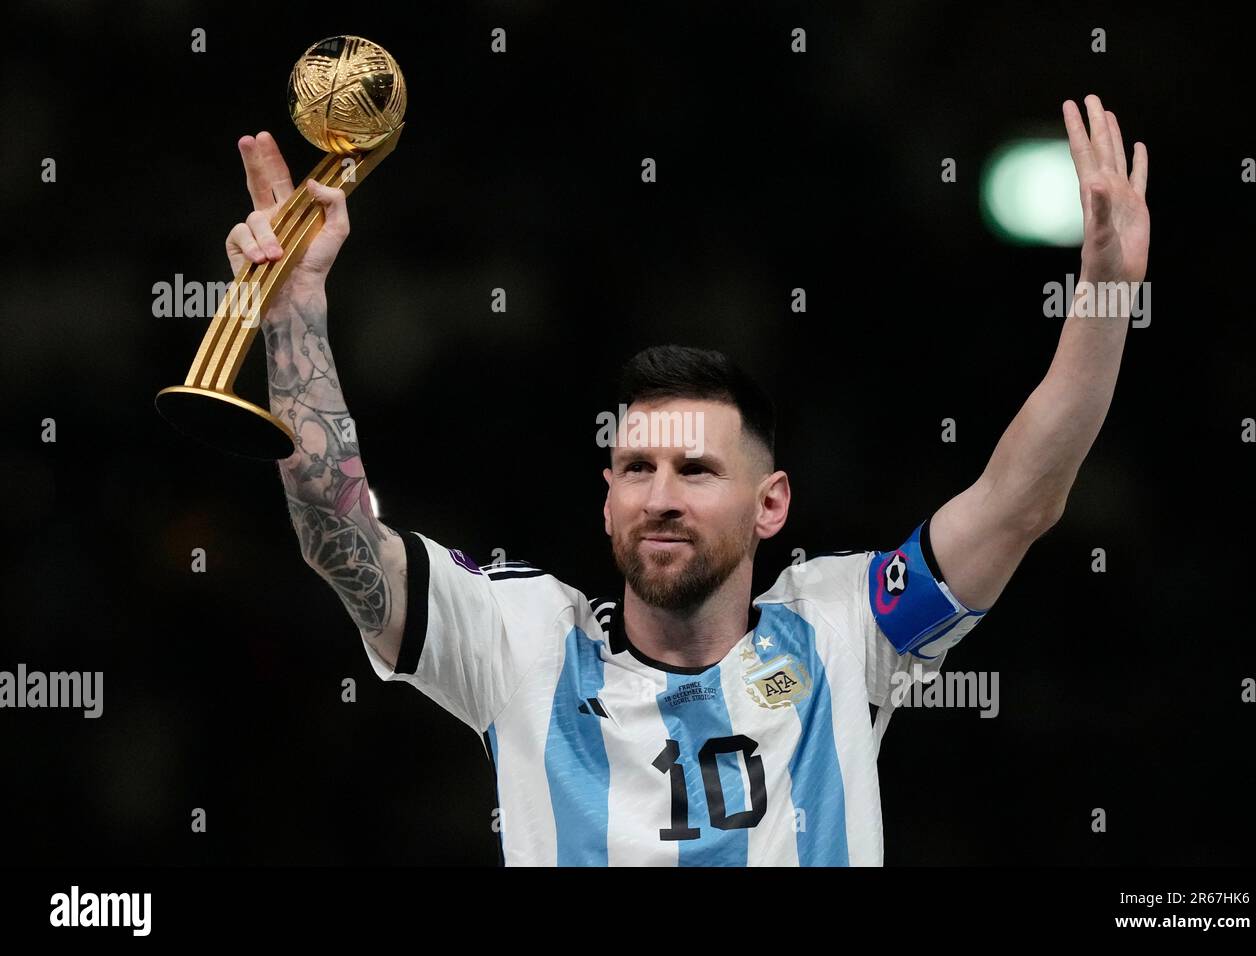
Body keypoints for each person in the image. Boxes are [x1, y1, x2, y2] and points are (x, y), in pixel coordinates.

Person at [225, 93, 1148, 865]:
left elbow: (1022, 499)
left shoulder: (843, 629)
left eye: (697, 470)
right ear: (608, 497)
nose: (660, 494)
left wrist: (1106, 290)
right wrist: (296, 306)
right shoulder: (520, 641)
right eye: (638, 468)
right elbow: (332, 529)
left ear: (771, 503)